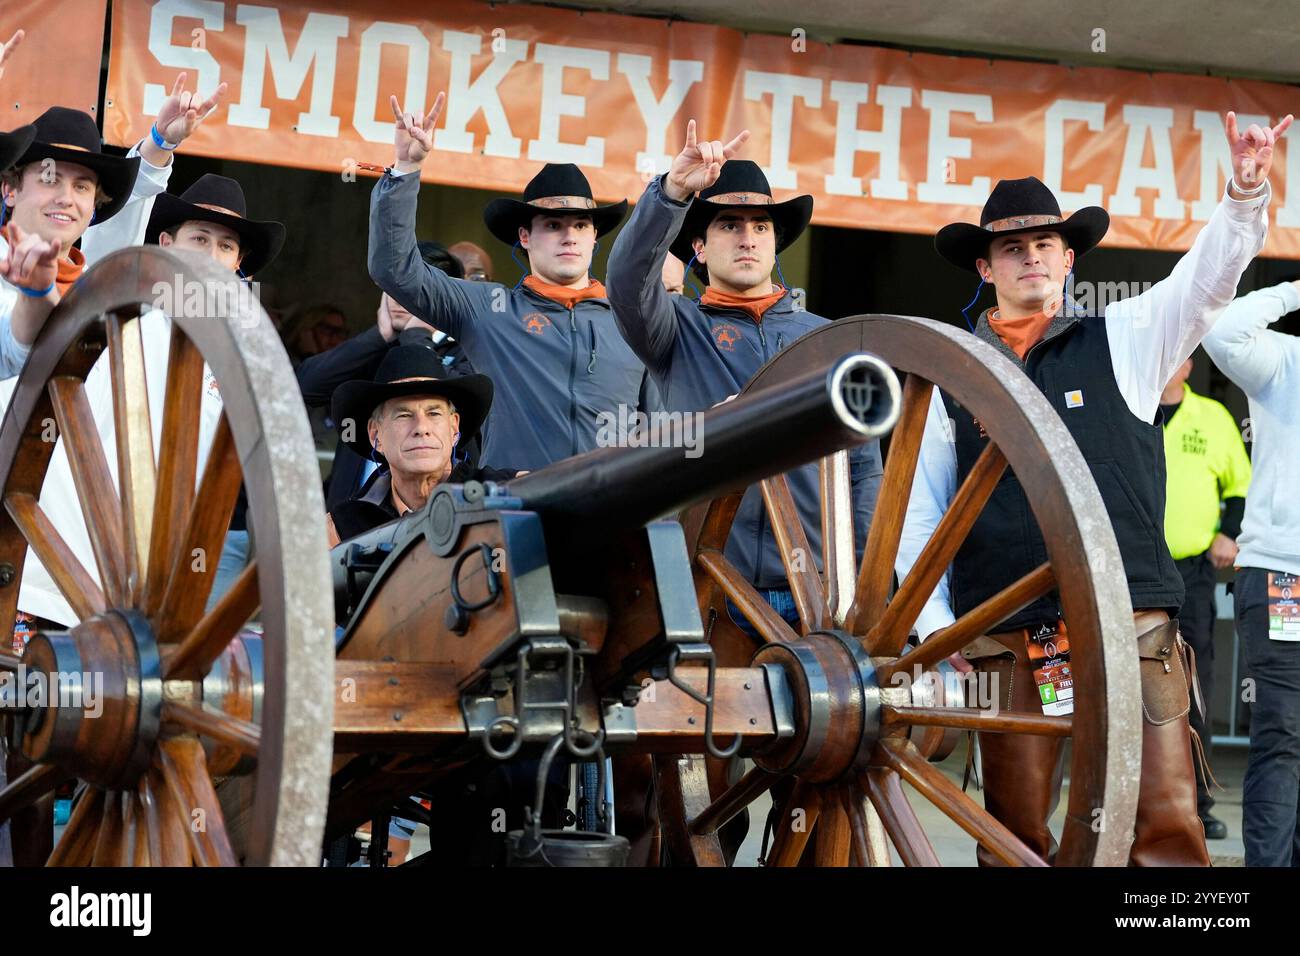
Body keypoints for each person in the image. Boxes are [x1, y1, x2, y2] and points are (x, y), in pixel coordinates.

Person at [898, 110, 1290, 866]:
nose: (1031, 258)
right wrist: (935, 634)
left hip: (1131, 628)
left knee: (1166, 825)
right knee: (1014, 838)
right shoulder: (952, 376)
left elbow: (1207, 282)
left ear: (1069, 258)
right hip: (1010, 635)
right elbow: (920, 518)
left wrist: (1245, 196)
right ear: (985, 268)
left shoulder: (1129, 336)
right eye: (1012, 248)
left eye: (1044, 244)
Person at [606, 120, 883, 633]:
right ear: (699, 247)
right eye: (729, 225)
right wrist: (672, 192)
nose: (747, 239)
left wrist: (864, 585)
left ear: (776, 243)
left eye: (760, 227)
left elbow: (864, 471)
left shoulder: (827, 337)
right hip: (703, 587)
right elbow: (625, 282)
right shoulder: (674, 328)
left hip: (817, 595)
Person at [12, 173, 283, 629]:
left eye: (226, 246)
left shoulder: (241, 360)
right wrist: (156, 152)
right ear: (165, 244)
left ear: (240, 266)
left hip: (150, 590)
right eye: (199, 238)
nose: (211, 256)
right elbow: (107, 248)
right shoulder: (117, 314)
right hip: (55, 570)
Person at [369, 93, 648, 472]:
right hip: (516, 503)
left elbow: (660, 432)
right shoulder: (486, 309)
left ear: (594, 236)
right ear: (525, 236)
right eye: (553, 225)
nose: (569, 236)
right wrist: (406, 169)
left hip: (617, 506)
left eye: (581, 225)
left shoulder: (633, 320)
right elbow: (394, 269)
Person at [0, 74, 226, 375]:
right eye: (49, 178)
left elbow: (132, 203)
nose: (66, 199)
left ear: (94, 206)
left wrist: (162, 140)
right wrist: (36, 295)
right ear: (9, 190)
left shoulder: (100, 287)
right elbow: (12, 350)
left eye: (82, 187)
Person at [1201, 279, 1300, 866]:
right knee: (1284, 734)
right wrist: (1295, 289)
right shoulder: (1284, 360)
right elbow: (1222, 330)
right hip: (1284, 577)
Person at [1159, 356, 1252, 839]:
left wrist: (1229, 533)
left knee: (1193, 685)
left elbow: (1240, 486)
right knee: (1127, 686)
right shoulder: (1127, 407)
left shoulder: (1213, 418)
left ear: (1189, 366)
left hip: (1191, 573)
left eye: (1175, 354)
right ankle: (1134, 802)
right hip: (1131, 571)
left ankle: (1199, 803)